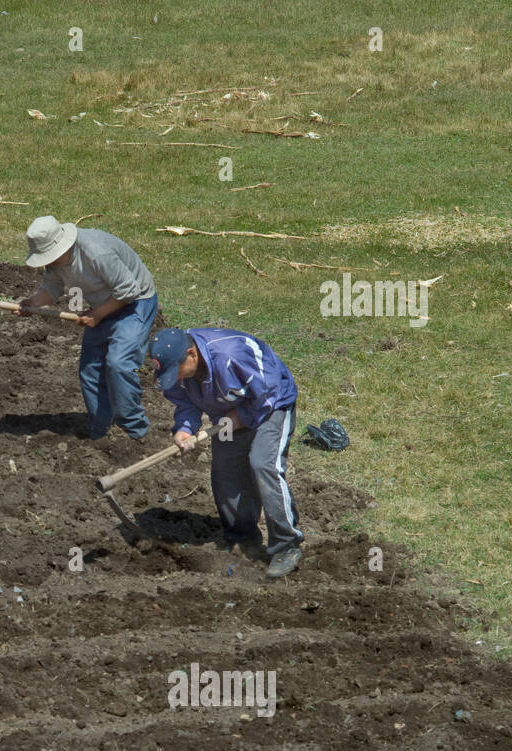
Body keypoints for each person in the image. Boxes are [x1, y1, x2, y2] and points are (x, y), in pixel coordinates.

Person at [146, 327, 304, 578]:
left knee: (263, 464)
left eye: (174, 371)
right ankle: (242, 539)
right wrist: (185, 429)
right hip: (226, 415)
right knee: (225, 471)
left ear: (191, 354)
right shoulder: (178, 373)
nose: (173, 378)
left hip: (271, 407)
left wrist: (237, 417)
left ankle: (287, 544)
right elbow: (184, 403)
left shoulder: (232, 355)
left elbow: (268, 393)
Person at [17, 216, 158, 442]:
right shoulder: (56, 262)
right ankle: (101, 431)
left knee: (119, 363)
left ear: (63, 245)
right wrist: (31, 303)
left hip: (136, 302)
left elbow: (129, 291)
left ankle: (133, 431)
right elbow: (52, 287)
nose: (49, 262)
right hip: (102, 304)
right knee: (90, 369)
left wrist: (97, 315)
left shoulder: (96, 252)